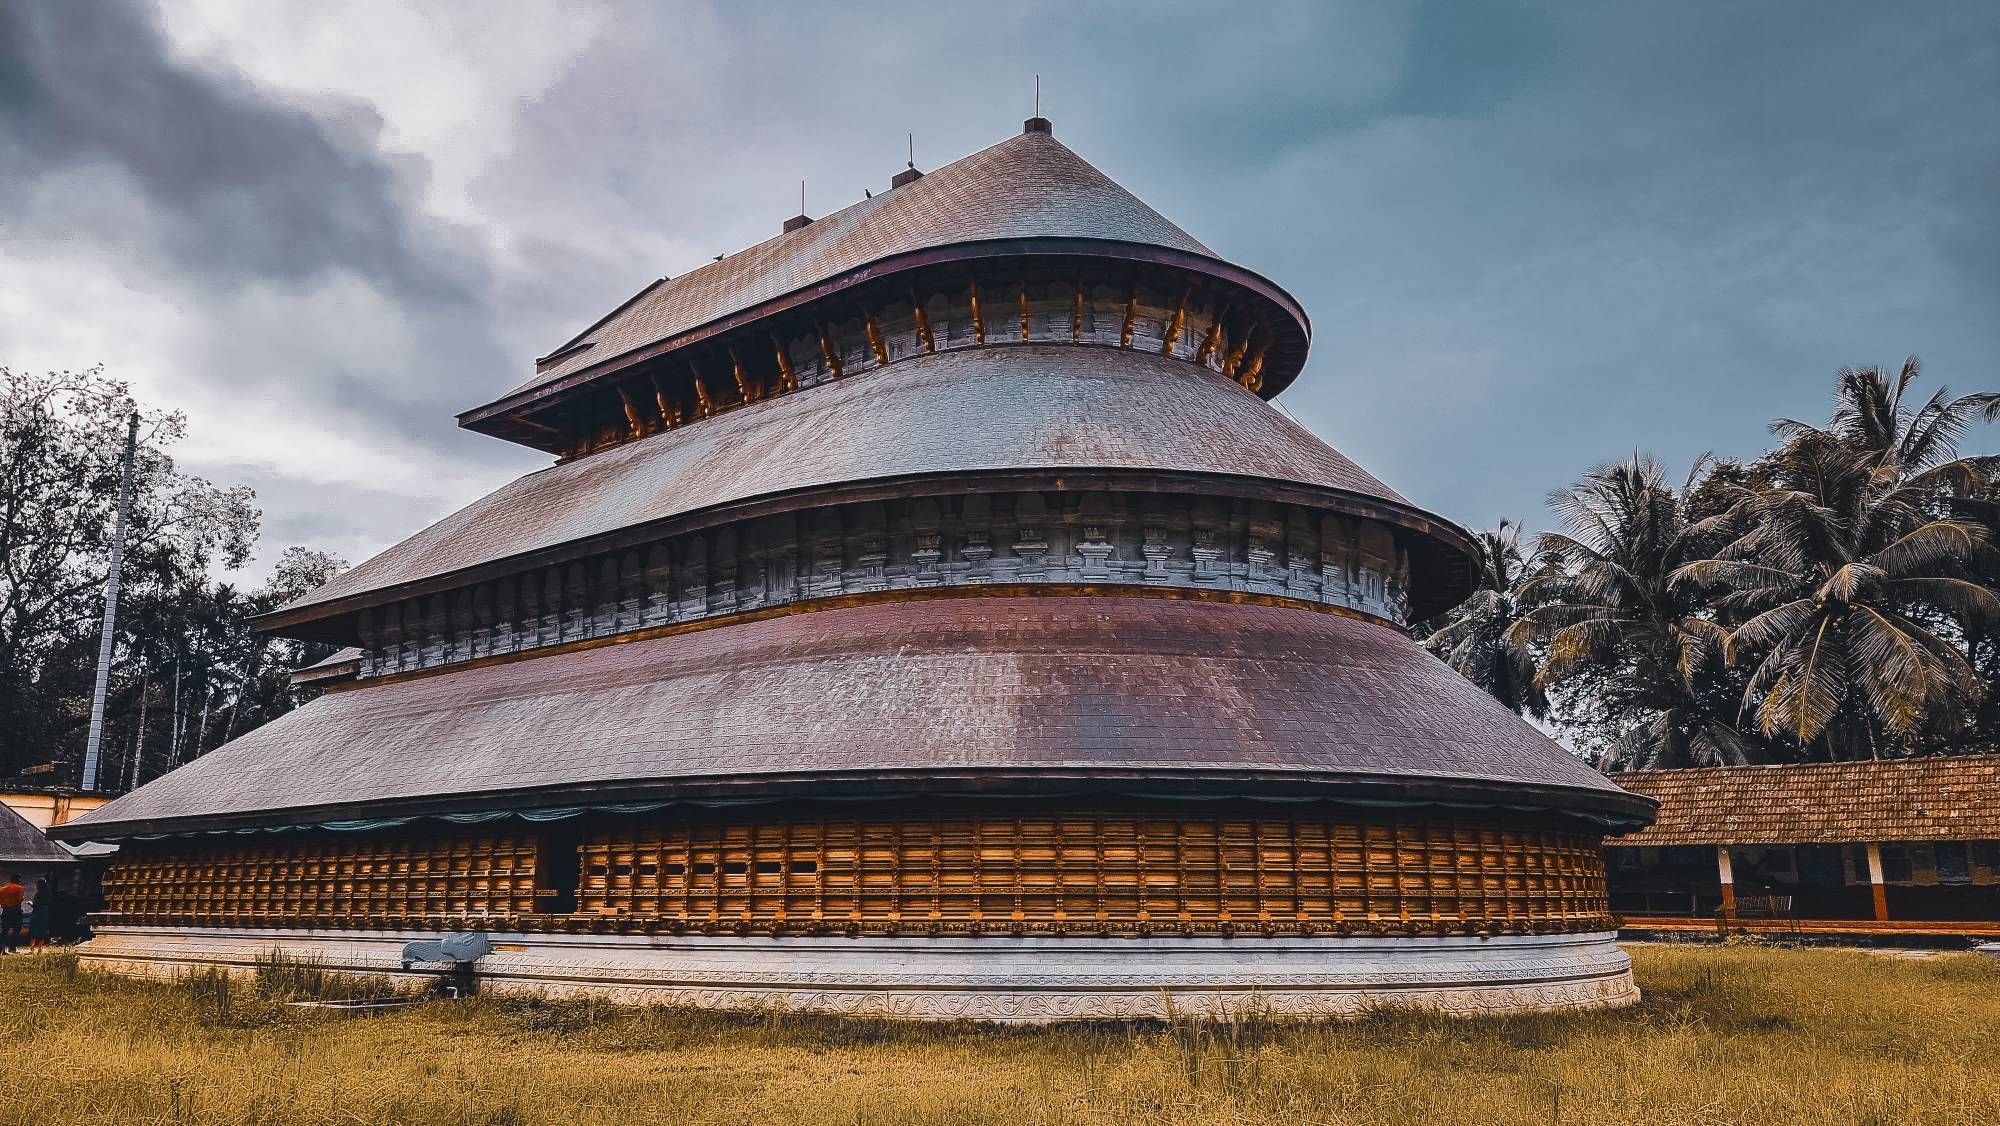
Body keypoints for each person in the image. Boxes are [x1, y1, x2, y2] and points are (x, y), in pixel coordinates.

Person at [0, 873, 23, 954]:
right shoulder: (19, 888)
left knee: (4, 930)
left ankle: (2, 949)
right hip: (15, 911)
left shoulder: (2, 889)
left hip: (6, 911)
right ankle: (12, 948)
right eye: (19, 880)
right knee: (17, 929)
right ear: (17, 880)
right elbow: (19, 900)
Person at [27, 877, 51, 950]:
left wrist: (30, 903)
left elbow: (35, 905)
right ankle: (40, 947)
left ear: (39, 885)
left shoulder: (39, 893)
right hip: (44, 911)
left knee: (34, 928)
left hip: (37, 912)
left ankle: (32, 946)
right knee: (42, 929)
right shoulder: (48, 892)